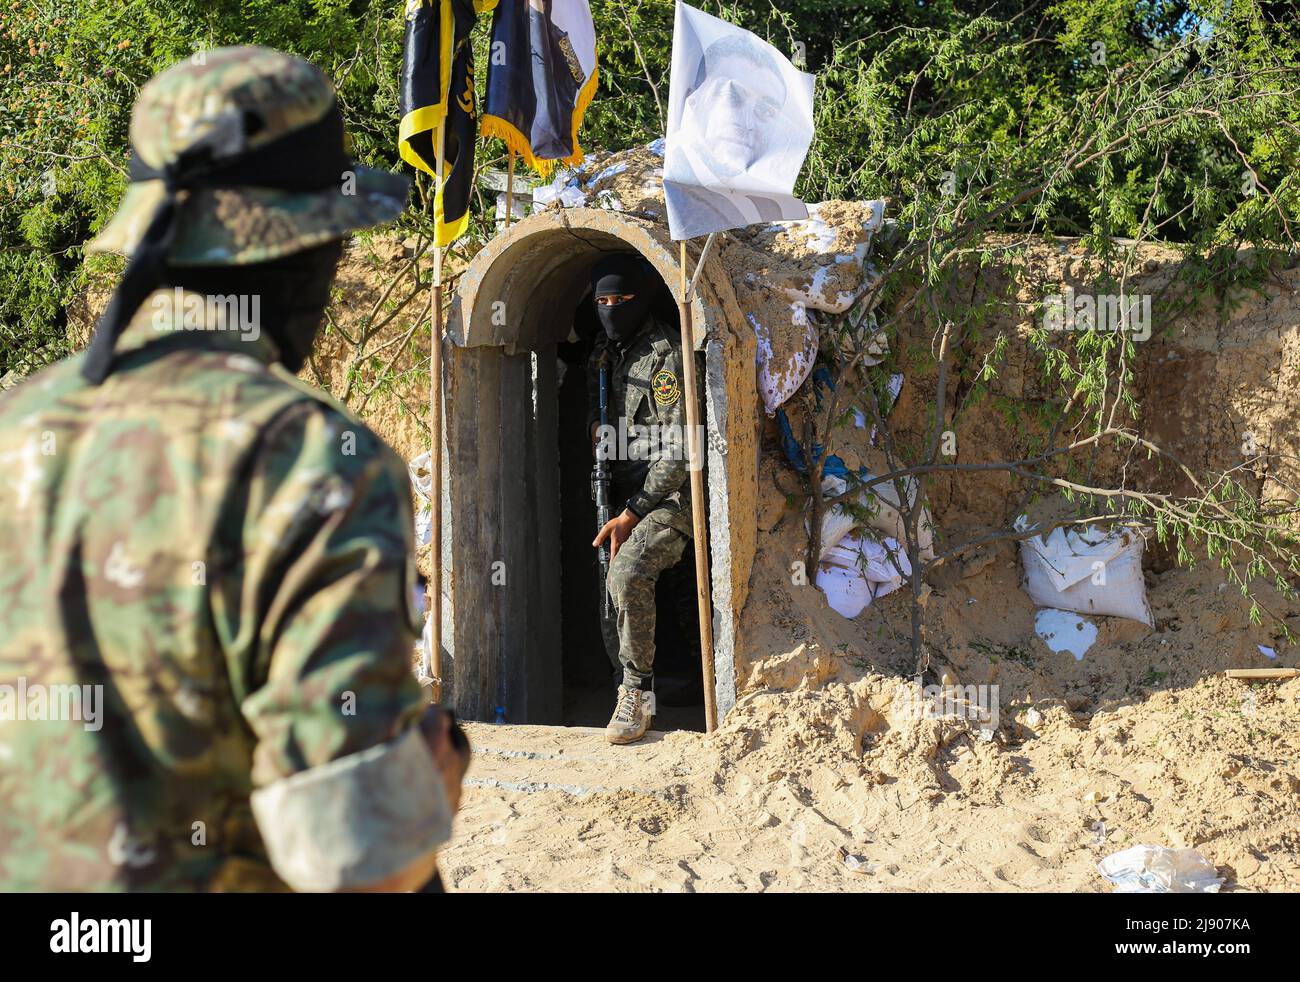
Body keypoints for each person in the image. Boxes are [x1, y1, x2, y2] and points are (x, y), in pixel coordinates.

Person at [0, 46, 467, 892]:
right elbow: (361, 858)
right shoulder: (307, 461)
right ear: (303, 254)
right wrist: (433, 787)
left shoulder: (15, 425)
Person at [587, 254, 694, 745]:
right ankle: (620, 682)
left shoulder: (664, 353)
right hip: (620, 491)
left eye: (619, 301)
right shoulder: (605, 353)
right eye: (601, 301)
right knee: (608, 586)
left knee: (628, 571)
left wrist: (633, 512)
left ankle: (637, 695)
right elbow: (597, 400)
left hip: (669, 497)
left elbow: (678, 449)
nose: (609, 309)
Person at [664, 34, 792, 235]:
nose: (748, 123)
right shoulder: (663, 194)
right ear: (693, 100)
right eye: (732, 97)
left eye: (766, 110)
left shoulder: (766, 208)